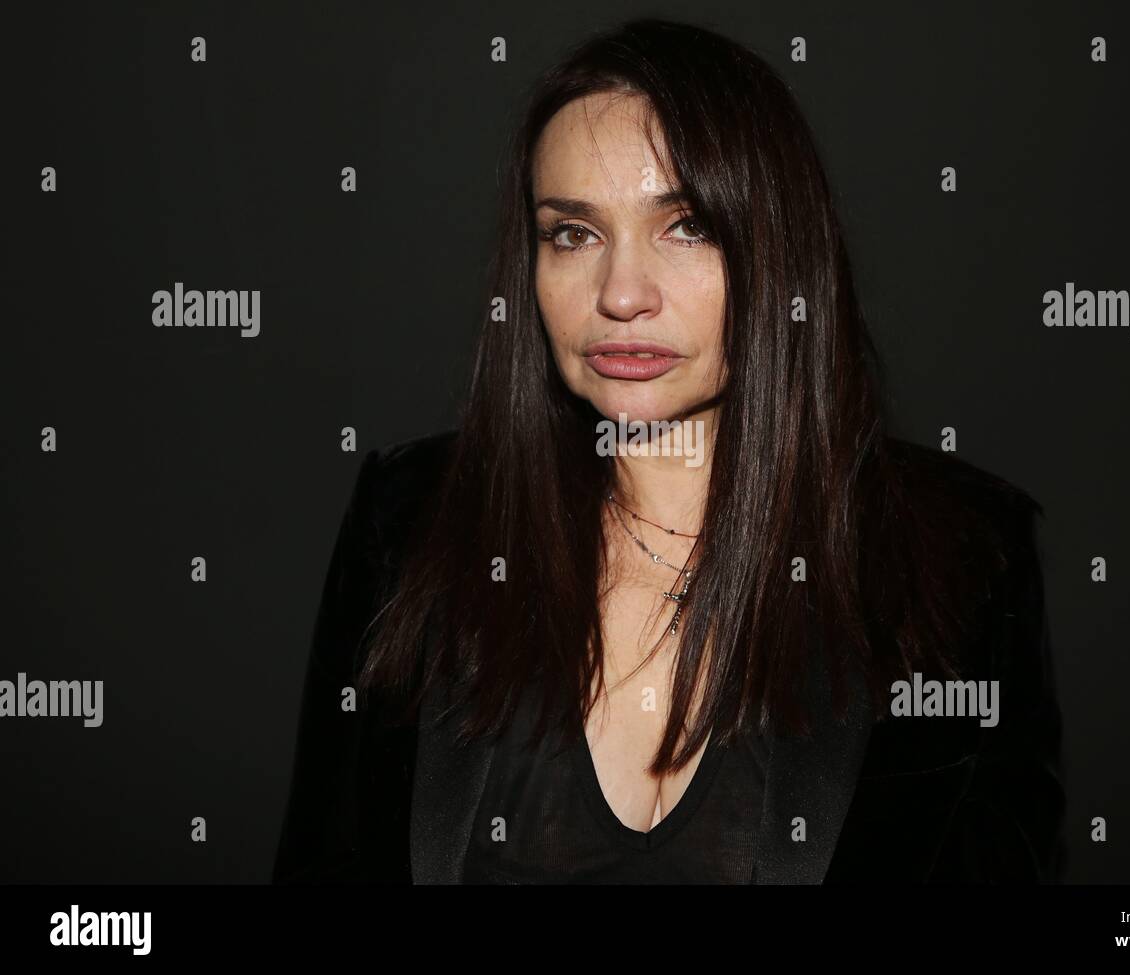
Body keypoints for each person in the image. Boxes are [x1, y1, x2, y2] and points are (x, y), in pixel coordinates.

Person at [272, 18, 1065, 885]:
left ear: (779, 251)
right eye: (573, 233)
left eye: (685, 225)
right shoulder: (409, 525)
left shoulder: (959, 559)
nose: (620, 293)